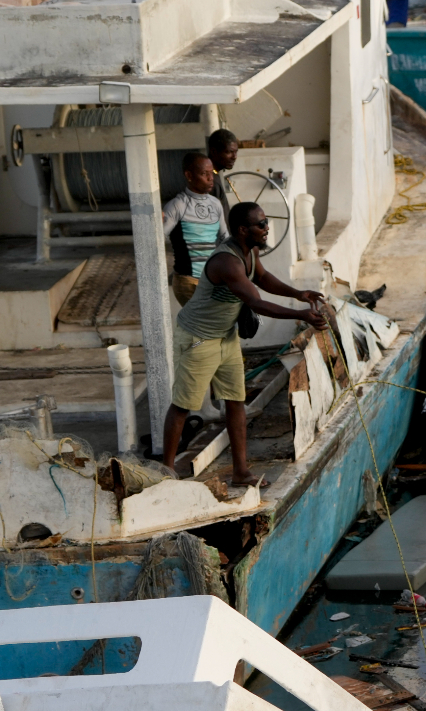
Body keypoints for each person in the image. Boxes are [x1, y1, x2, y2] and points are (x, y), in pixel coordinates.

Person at [165, 201, 329, 487]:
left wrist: (299, 293)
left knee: (235, 400)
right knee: (183, 404)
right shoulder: (226, 262)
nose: (267, 228)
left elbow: (263, 278)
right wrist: (301, 314)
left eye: (266, 222)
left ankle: (241, 472)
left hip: (225, 335)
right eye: (261, 224)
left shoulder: (250, 251)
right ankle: (165, 471)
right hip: (198, 338)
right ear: (243, 230)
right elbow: (255, 301)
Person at [162, 152, 229, 306]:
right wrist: (156, 224)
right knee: (206, 326)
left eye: (211, 173)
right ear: (189, 176)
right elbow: (158, 238)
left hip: (212, 281)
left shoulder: (215, 204)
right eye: (204, 174)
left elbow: (224, 238)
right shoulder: (177, 205)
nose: (210, 178)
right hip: (188, 282)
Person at [207, 129, 240, 212]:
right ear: (214, 151)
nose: (234, 157)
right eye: (229, 152)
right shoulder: (209, 181)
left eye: (236, 152)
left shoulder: (214, 176)